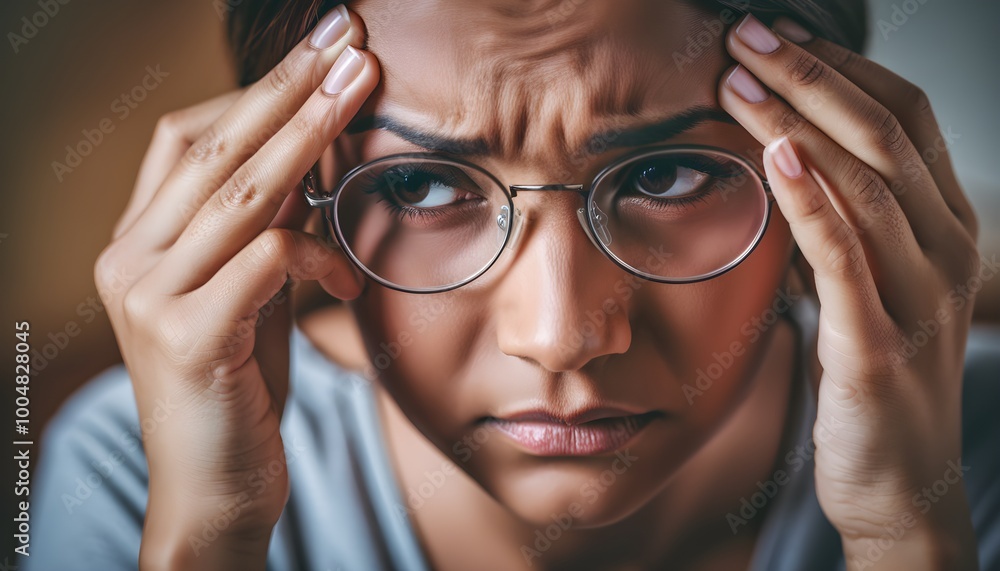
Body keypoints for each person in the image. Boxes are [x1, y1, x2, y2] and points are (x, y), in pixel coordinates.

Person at [24, 1, 1000, 569]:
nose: (561, 334)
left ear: (826, 181)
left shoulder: (981, 450)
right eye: (421, 185)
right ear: (294, 200)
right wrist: (207, 538)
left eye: (666, 177)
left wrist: (907, 528)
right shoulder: (133, 471)